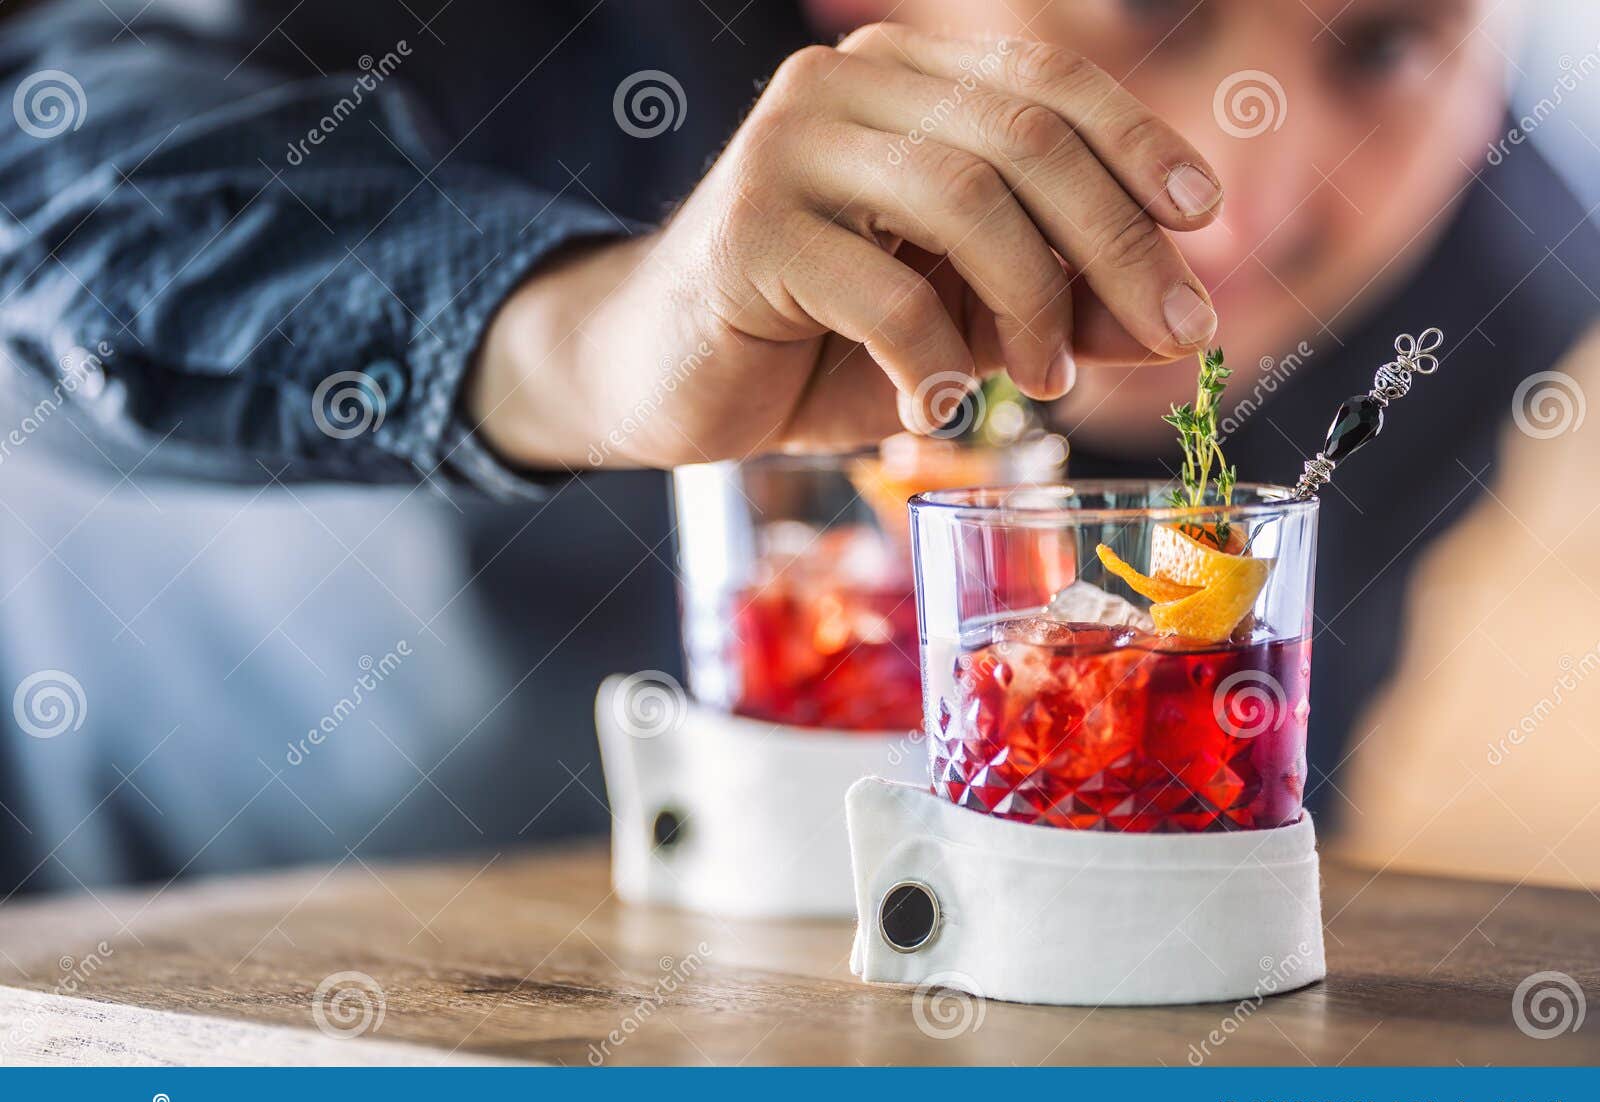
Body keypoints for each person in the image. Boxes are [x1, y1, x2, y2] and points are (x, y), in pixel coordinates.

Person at [1, 0, 1595, 890]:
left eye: (1387, 46)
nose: (1247, 204)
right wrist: (574, 330)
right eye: (1155, 11)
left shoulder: (1478, 288)